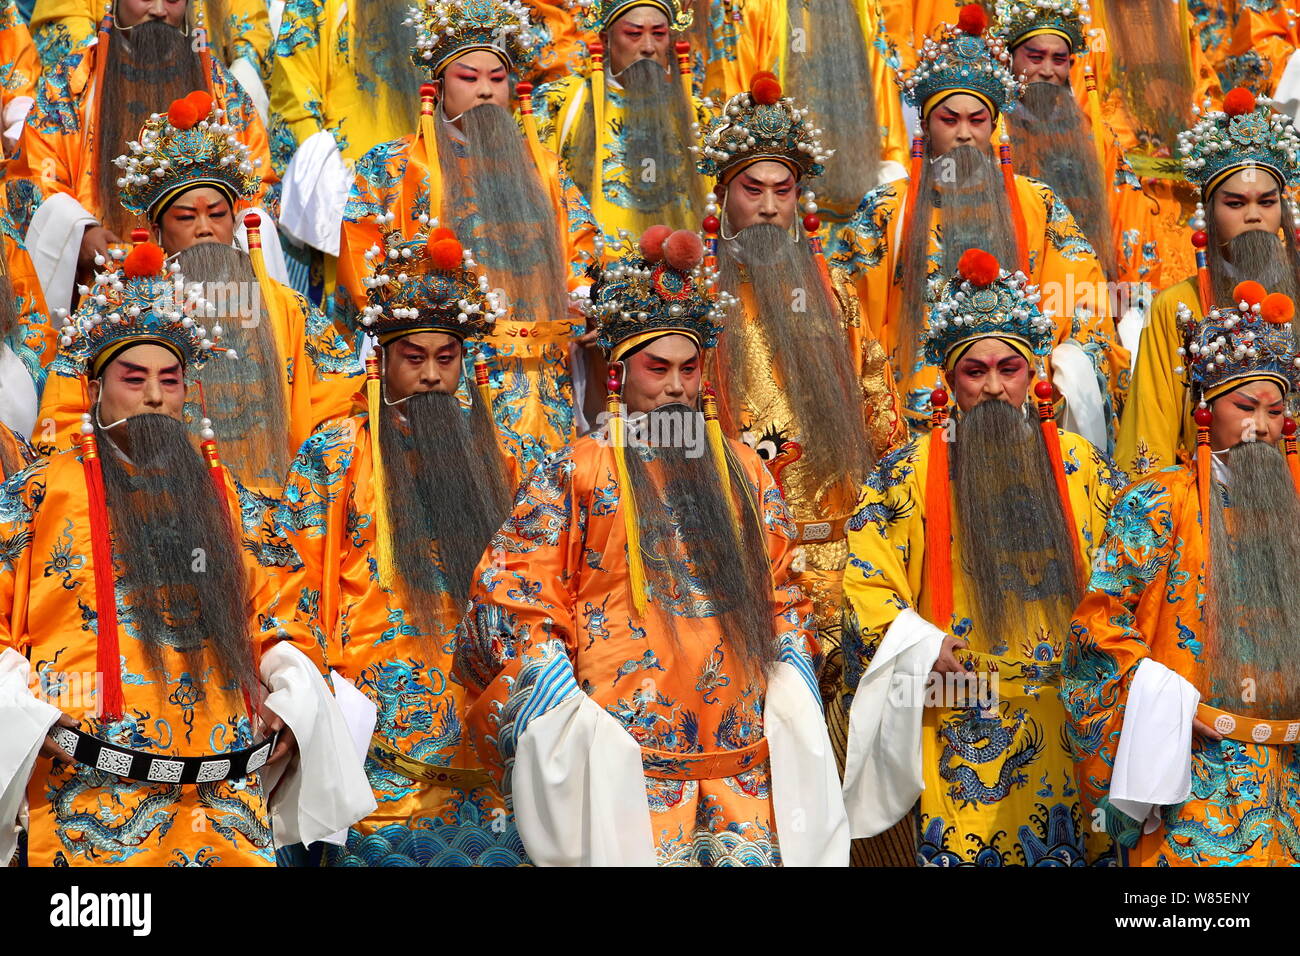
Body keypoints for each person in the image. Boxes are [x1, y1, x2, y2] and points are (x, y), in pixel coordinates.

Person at [455, 226, 848, 866]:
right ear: (619, 375)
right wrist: (569, 712)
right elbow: (511, 597)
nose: (674, 387)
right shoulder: (578, 472)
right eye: (655, 368)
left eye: (688, 369)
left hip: (744, 766)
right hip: (621, 768)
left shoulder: (746, 471)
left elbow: (787, 592)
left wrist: (792, 682)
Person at [0, 238, 373, 867]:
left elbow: (280, 613)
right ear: (94, 387)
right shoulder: (36, 494)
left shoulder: (233, 499)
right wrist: (29, 715)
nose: (152, 397)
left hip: (222, 790)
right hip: (86, 787)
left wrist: (289, 697)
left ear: (187, 393)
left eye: (168, 381)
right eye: (133, 378)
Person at [840, 248, 1124, 866]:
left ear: (1032, 374)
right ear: (949, 380)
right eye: (975, 371)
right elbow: (867, 577)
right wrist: (918, 646)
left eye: (1008, 368)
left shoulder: (1082, 467)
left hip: (1073, 720)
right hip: (965, 715)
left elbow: (1126, 574)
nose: (994, 386)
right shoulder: (908, 473)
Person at [697, 74, 909, 863]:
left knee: (862, 768)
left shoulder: (839, 296)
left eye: (784, 190)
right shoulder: (694, 305)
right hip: (746, 569)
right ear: (724, 196)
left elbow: (885, 427)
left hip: (846, 561)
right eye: (751, 189)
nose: (769, 206)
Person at [271, 225, 527, 865]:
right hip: (373, 746)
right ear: (381, 361)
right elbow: (293, 580)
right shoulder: (336, 456)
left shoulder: (503, 458)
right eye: (415, 358)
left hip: (487, 740)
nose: (434, 375)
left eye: (447, 358)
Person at [1066, 282, 1300, 866]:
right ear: (1204, 408)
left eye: (1276, 410)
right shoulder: (1158, 504)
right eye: (1245, 407)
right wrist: (1168, 704)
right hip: (1194, 770)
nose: (1262, 426)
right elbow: (1096, 629)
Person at [827, 4, 1126, 450]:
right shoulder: (888, 209)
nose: (964, 134)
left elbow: (1084, 297)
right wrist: (880, 399)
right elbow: (850, 310)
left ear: (995, 125)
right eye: (950, 120)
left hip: (1014, 401)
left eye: (977, 120)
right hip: (914, 416)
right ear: (926, 127)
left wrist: (1052, 371)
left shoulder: (1036, 202)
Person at [35, 91, 359, 491]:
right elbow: (63, 417)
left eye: (217, 214)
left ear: (235, 220)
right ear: (156, 231)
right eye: (186, 217)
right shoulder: (114, 313)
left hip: (280, 515)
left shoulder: (287, 309)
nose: (205, 228)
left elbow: (342, 406)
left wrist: (300, 497)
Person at [338, 0, 597, 471]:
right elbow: (361, 259)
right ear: (437, 87)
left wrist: (580, 295)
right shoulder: (394, 166)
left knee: (539, 503)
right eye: (468, 77)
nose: (483, 92)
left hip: (535, 364)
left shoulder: (545, 171)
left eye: (496, 80)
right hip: (439, 367)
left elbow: (581, 249)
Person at [12, 0, 280, 314]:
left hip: (207, 283)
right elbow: (34, 174)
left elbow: (256, 182)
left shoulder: (221, 89)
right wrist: (78, 231)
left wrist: (218, 228)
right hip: (102, 282)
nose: (158, 9)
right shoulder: (71, 85)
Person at [1117, 87, 1300, 476]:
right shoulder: (1175, 308)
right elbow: (1150, 439)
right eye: (1235, 203)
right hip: (1205, 502)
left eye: (1267, 202)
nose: (1254, 216)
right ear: (1209, 213)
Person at [996, 0, 1164, 337]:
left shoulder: (1094, 135)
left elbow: (1127, 215)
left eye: (1059, 60)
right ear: (1009, 59)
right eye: (1035, 57)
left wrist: (1133, 302)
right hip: (1012, 304)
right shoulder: (991, 132)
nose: (1047, 70)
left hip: (1091, 302)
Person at [688, 0, 908, 222]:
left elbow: (886, 118)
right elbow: (729, 110)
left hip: (862, 214)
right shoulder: (747, 6)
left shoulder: (867, 8)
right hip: (768, 212)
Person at [535, 0, 710, 243]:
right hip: (589, 275)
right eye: (634, 34)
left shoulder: (698, 115)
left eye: (659, 34)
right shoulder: (559, 104)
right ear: (606, 40)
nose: (648, 47)